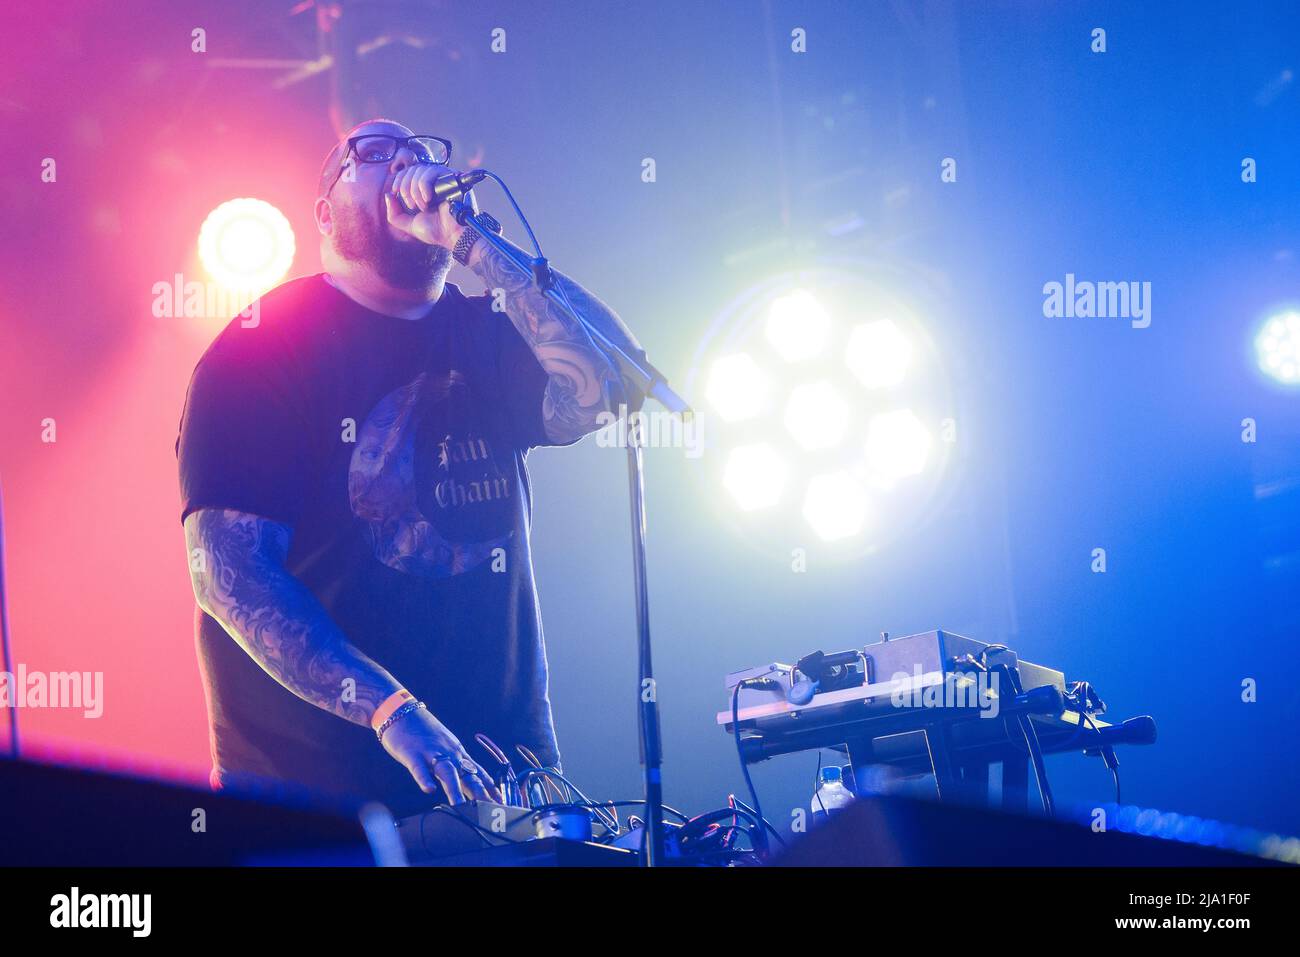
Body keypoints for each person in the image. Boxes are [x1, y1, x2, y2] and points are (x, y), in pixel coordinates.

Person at [176, 118, 642, 815]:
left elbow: (610, 389)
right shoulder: (260, 350)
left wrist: (476, 243)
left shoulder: (487, 329)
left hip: (503, 780)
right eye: (373, 152)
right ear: (325, 212)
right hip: (315, 794)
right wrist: (390, 709)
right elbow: (228, 572)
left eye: (421, 152)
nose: (406, 163)